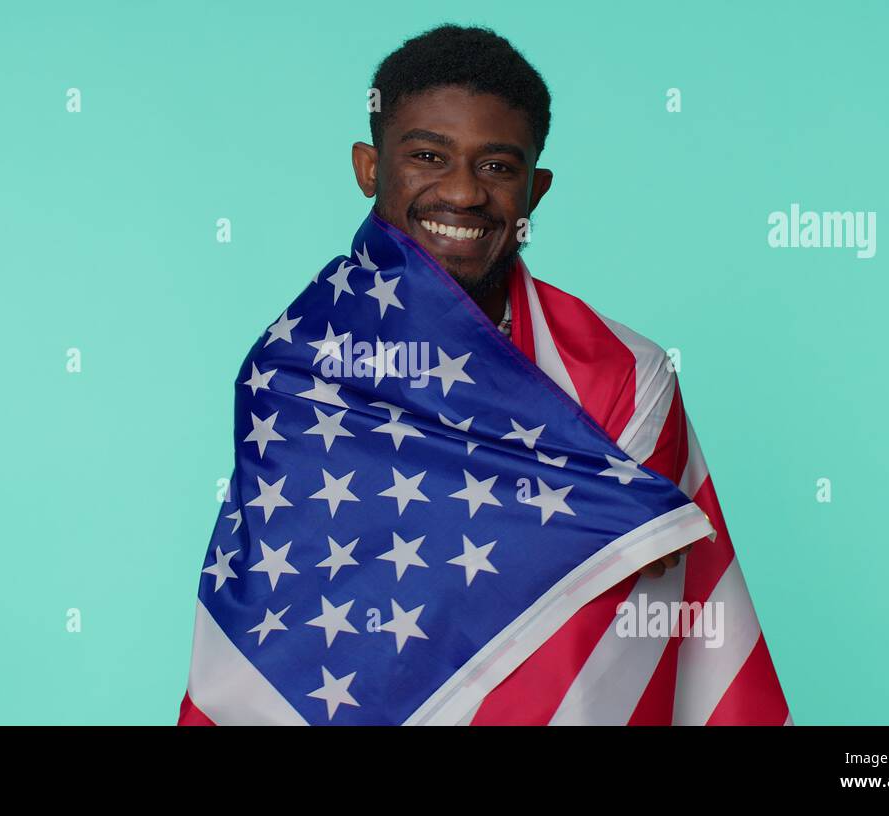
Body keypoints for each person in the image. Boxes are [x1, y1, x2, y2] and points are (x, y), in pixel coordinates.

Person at [179, 24, 789, 725]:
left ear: (537, 187)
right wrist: (575, 517)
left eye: (498, 166)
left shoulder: (623, 372)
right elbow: (300, 591)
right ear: (369, 167)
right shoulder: (295, 365)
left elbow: (632, 583)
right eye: (428, 156)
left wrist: (577, 526)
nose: (463, 193)